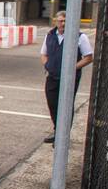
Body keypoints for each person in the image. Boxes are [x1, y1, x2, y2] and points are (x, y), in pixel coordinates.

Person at [40, 11, 93, 144]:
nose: (62, 23)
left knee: (66, 106)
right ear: (55, 21)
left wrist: (71, 68)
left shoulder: (80, 37)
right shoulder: (50, 35)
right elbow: (43, 53)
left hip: (70, 78)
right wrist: (48, 65)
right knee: (53, 104)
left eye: (65, 21)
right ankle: (58, 131)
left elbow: (88, 58)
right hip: (52, 76)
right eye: (60, 20)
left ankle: (62, 138)